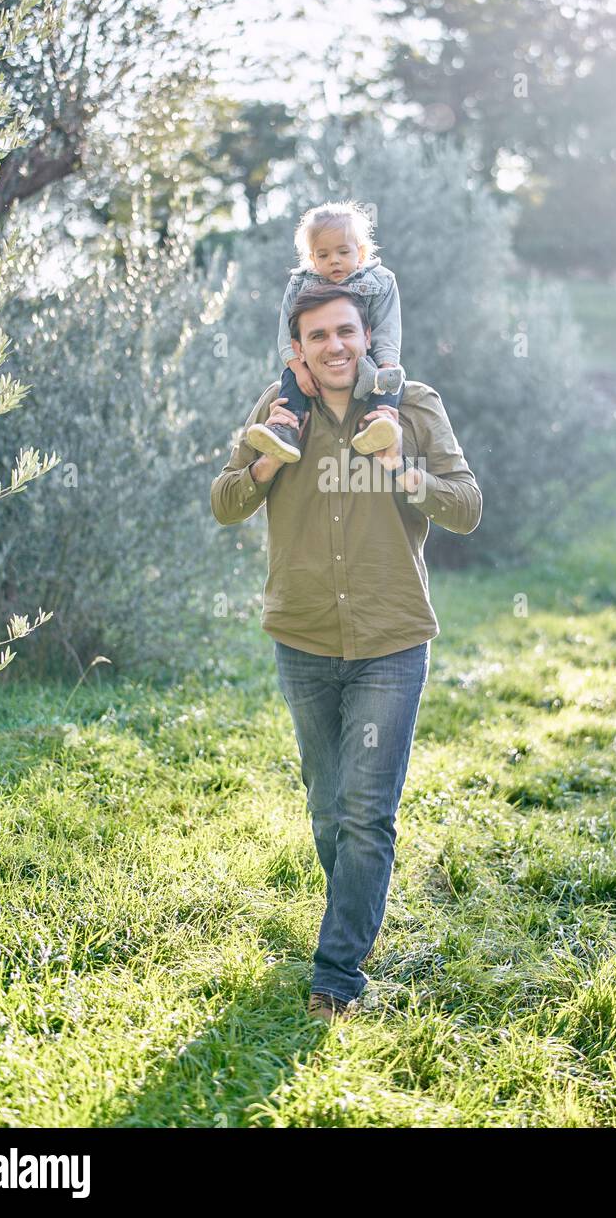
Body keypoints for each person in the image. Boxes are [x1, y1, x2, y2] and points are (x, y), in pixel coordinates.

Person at [210, 283, 482, 1023]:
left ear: (368, 336)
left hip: (391, 640)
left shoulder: (411, 403)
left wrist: (405, 472)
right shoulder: (279, 410)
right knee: (329, 809)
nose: (334, 346)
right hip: (302, 638)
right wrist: (266, 464)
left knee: (367, 814)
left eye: (346, 333)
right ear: (297, 346)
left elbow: (466, 504)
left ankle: (336, 976)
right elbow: (226, 500)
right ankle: (355, 919)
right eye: (318, 335)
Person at [243, 199, 408, 464]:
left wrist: (385, 367)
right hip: (310, 366)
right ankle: (286, 429)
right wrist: (299, 368)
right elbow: (287, 335)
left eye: (343, 252)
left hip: (368, 361)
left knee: (391, 379)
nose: (334, 261)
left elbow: (387, 329)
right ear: (311, 258)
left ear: (361, 252)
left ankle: (378, 423)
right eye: (323, 255)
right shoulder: (299, 284)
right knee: (289, 382)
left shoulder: (381, 281)